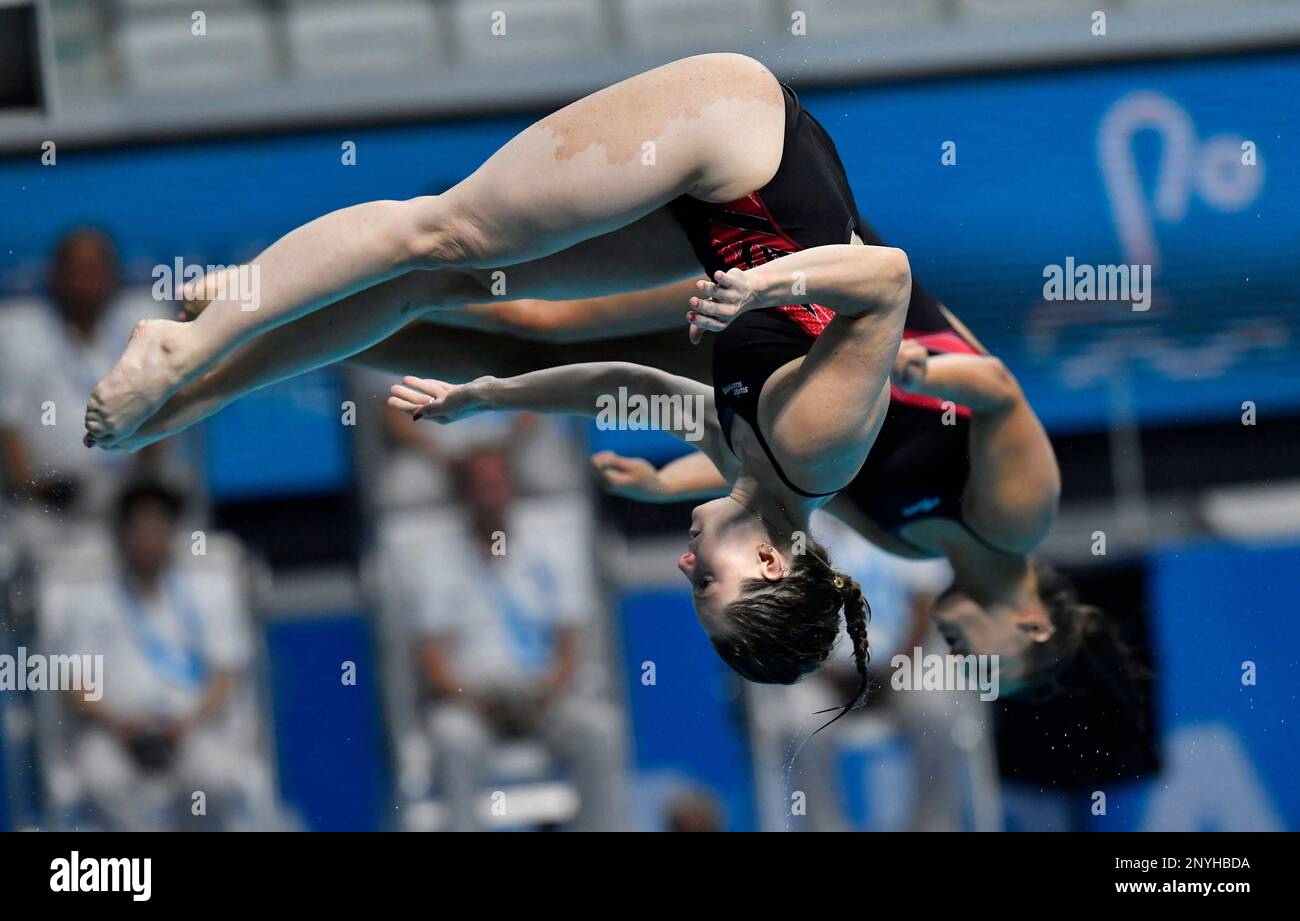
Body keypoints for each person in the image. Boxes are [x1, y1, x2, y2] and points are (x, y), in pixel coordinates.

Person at [81, 53, 899, 450]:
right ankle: (180, 347)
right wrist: (767, 285)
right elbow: (887, 275)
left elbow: (636, 392)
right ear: (767, 562)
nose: (688, 559)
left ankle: (205, 389)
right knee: (445, 231)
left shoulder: (757, 473)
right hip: (743, 136)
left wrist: (491, 396)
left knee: (438, 285)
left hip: (718, 229)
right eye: (709, 584)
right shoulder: (816, 449)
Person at [411, 448, 627, 832]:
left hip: (542, 695)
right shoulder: (437, 560)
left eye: (498, 485)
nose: (492, 495)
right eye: (482, 487)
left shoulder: (550, 552)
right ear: (465, 496)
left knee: (600, 728)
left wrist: (548, 691)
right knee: (451, 738)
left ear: (512, 490)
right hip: (472, 700)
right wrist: (471, 699)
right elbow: (432, 657)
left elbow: (568, 643)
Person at [52, 480, 269, 830]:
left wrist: (186, 726)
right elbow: (76, 687)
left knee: (214, 777)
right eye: (140, 528)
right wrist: (122, 726)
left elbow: (225, 676)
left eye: (159, 526)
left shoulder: (205, 593)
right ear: (122, 534)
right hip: (118, 732)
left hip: (188, 728)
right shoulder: (91, 601)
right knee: (102, 779)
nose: (150, 538)